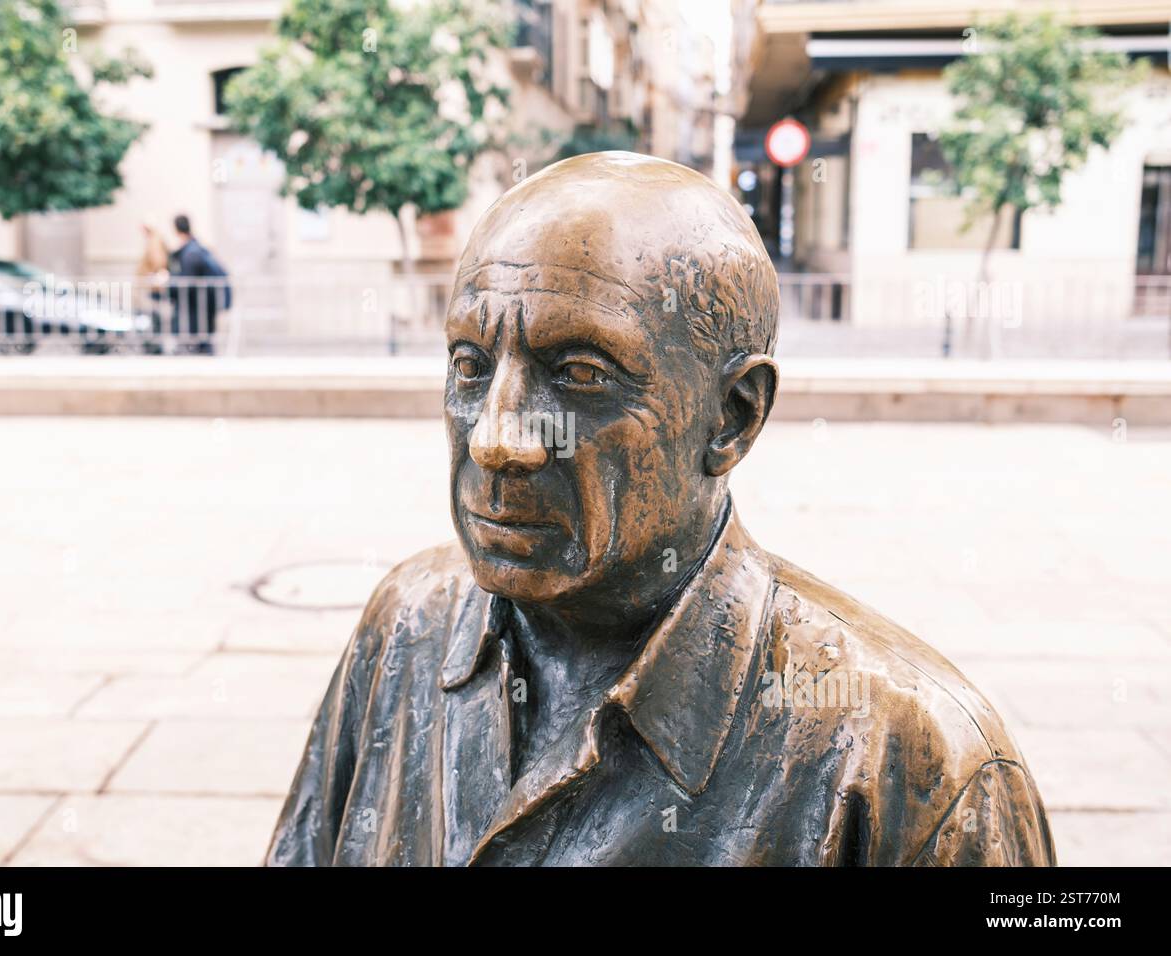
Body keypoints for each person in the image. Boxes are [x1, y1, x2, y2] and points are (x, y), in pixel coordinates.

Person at [267, 152, 1055, 867]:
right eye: (471, 367)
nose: (498, 438)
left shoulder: (914, 761)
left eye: (578, 373)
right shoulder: (406, 625)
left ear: (733, 417)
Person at [167, 214, 231, 354]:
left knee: (200, 346)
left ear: (176, 230)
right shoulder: (197, 248)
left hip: (195, 310)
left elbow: (186, 282)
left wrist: (168, 285)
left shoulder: (191, 253)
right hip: (202, 308)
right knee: (204, 343)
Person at [134, 219, 169, 348]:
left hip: (154, 287)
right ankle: (154, 342)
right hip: (152, 285)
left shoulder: (154, 241)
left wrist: (151, 276)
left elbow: (158, 261)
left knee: (153, 315)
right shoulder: (154, 240)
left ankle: (154, 344)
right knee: (153, 315)